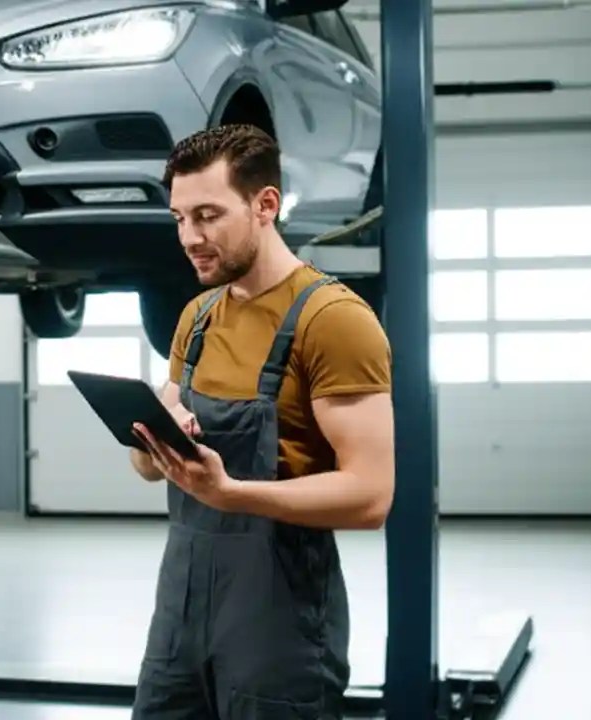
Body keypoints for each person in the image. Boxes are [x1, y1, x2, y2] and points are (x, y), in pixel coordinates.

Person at [127, 123, 395, 720]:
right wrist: (152, 440)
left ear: (265, 205)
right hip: (180, 607)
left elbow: (371, 496)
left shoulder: (332, 320)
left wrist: (233, 493)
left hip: (279, 620)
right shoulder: (196, 317)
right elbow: (147, 470)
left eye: (207, 215)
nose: (190, 238)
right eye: (178, 219)